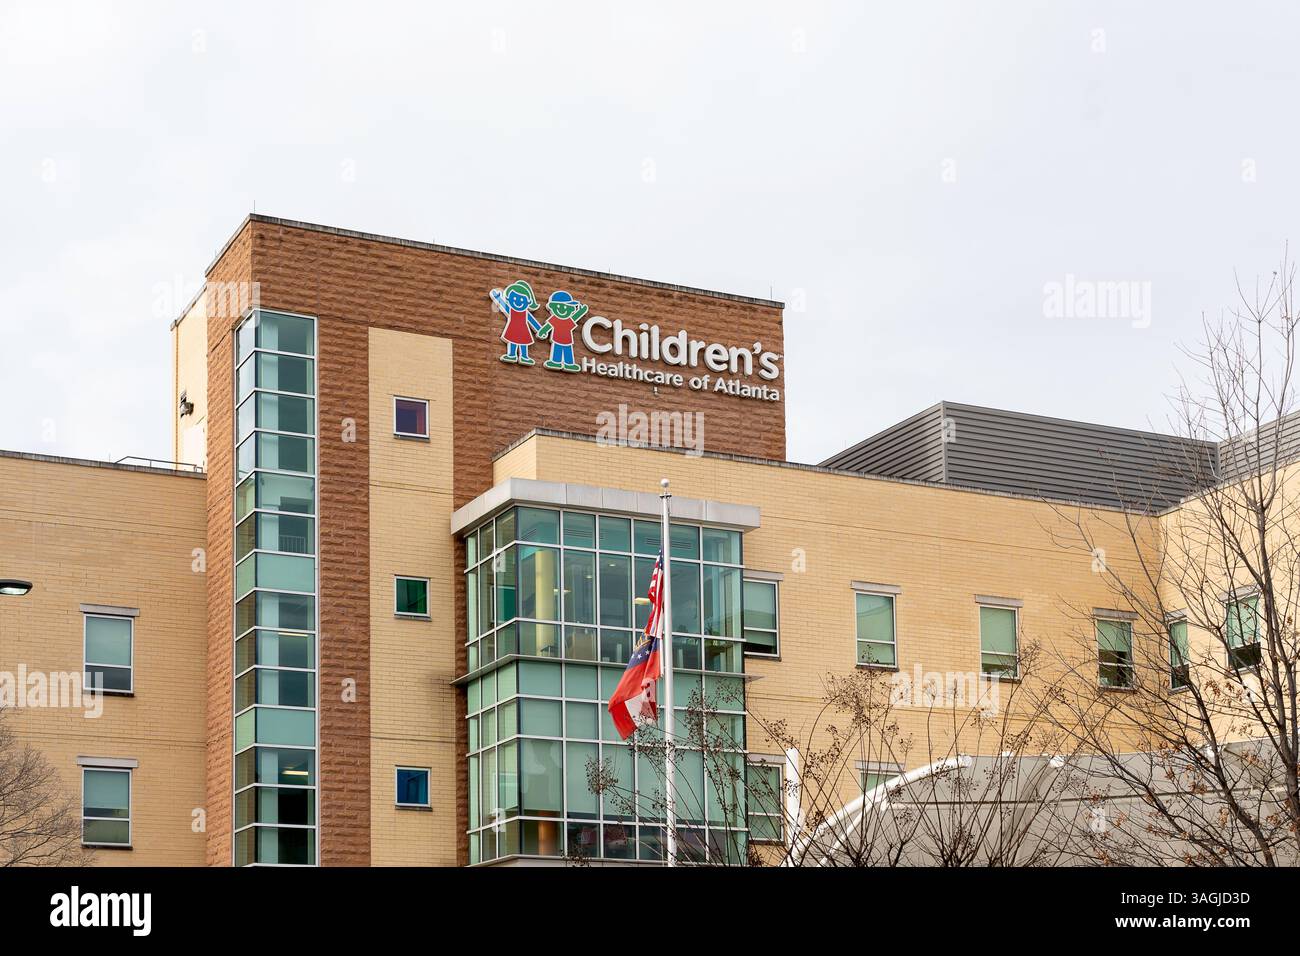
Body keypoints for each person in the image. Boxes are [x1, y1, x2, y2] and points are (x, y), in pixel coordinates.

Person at [490, 280, 545, 364]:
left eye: (522, 300)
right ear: (508, 299)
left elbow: (533, 322)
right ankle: (512, 355)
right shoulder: (511, 311)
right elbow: (503, 306)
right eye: (514, 298)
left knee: (523, 344)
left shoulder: (526, 313)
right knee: (512, 342)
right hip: (513, 329)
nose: (518, 302)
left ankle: (524, 357)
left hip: (523, 331)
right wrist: (497, 297)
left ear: (528, 302)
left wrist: (540, 330)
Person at [540, 290, 588, 371]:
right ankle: (555, 362)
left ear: (572, 309)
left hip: (567, 340)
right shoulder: (554, 319)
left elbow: (575, 317)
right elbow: (548, 326)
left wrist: (582, 311)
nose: (563, 310)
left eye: (566, 307)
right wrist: (542, 331)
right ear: (552, 307)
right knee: (557, 350)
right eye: (558, 307)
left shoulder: (568, 320)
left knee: (568, 352)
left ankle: (569, 364)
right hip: (556, 339)